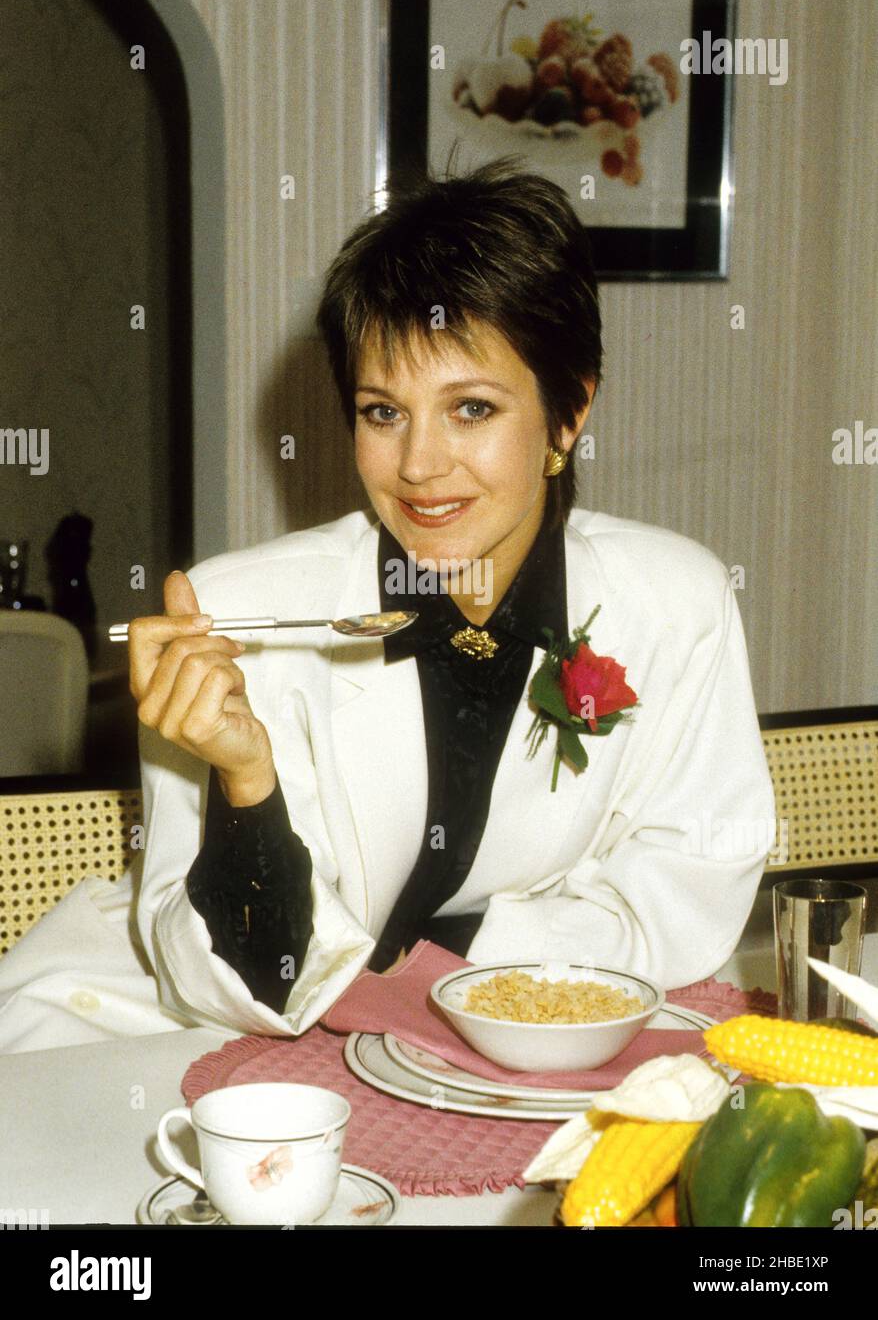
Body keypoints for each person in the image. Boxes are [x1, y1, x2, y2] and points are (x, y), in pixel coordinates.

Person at [0, 158, 776, 1053]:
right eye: (382, 412)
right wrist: (246, 778)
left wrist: (442, 976)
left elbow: (687, 877)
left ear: (569, 415)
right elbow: (219, 976)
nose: (419, 464)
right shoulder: (230, 613)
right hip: (161, 1024)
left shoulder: (678, 600)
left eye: (472, 409)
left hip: (498, 1034)